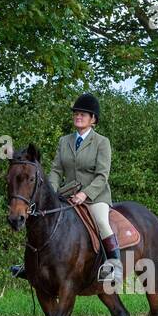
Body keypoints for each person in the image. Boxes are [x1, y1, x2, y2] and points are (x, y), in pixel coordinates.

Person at [48, 93, 120, 284]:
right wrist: (52, 192)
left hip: (95, 196)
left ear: (93, 119)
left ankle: (113, 267)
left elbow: (102, 175)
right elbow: (56, 170)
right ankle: (32, 265)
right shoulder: (64, 141)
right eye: (76, 114)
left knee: (102, 222)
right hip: (68, 195)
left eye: (83, 114)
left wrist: (85, 194)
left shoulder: (102, 142)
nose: (78, 117)